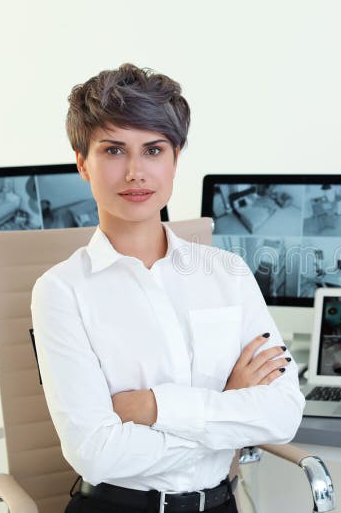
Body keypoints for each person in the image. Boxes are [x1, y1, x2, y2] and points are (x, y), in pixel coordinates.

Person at [31, 63, 304, 513]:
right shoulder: (61, 291)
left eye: (153, 150)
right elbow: (95, 453)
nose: (136, 172)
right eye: (114, 150)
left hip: (219, 505)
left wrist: (154, 408)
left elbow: (282, 416)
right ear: (83, 163)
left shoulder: (228, 273)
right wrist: (227, 410)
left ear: (175, 158)